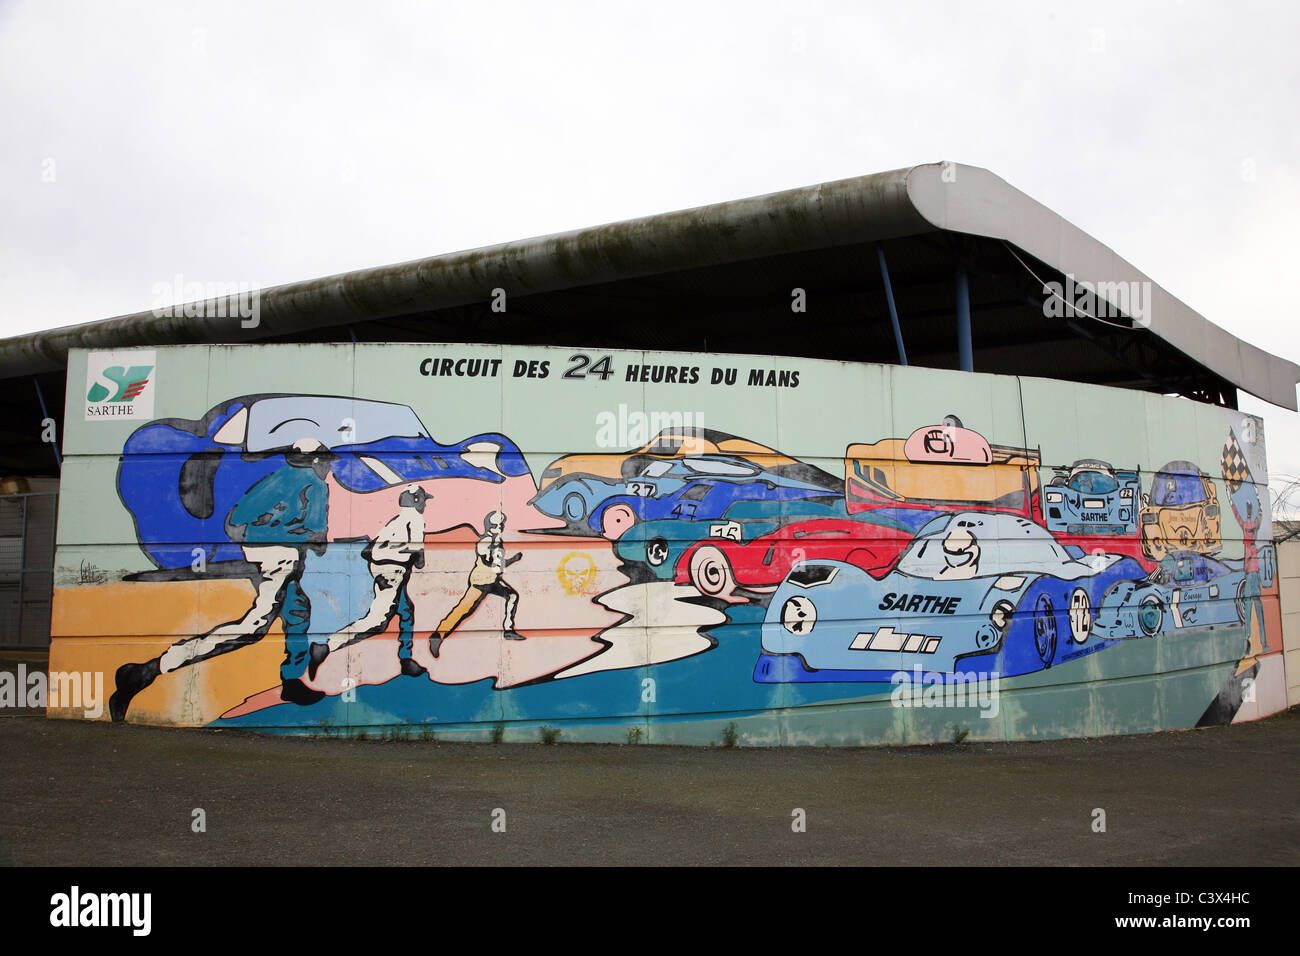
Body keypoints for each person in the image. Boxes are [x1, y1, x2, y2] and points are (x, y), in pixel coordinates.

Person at [109, 438, 335, 721]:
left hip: (266, 557)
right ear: (315, 461)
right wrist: (296, 538)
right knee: (251, 628)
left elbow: (237, 519)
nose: (328, 467)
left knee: (297, 613)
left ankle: (291, 683)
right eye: (325, 461)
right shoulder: (315, 485)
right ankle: (146, 671)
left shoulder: (275, 479)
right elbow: (317, 535)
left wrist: (262, 536)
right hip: (283, 559)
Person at [312, 485, 431, 678]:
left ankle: (405, 659)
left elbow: (366, 551)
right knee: (377, 621)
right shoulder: (415, 519)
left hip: (384, 571)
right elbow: (417, 552)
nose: (425, 504)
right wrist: (413, 562)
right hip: (394, 573)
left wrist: (379, 570)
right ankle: (327, 646)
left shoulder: (395, 521)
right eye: (423, 499)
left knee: (406, 611)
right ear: (416, 501)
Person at [429, 511, 524, 658]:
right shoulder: (486, 542)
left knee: (512, 596)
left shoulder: (497, 542)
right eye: (498, 525)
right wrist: (505, 560)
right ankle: (438, 635)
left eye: (502, 524)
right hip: (480, 581)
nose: (501, 527)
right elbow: (492, 563)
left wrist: (513, 560)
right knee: (463, 611)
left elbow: (498, 565)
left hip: (492, 580)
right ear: (490, 526)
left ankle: (508, 630)